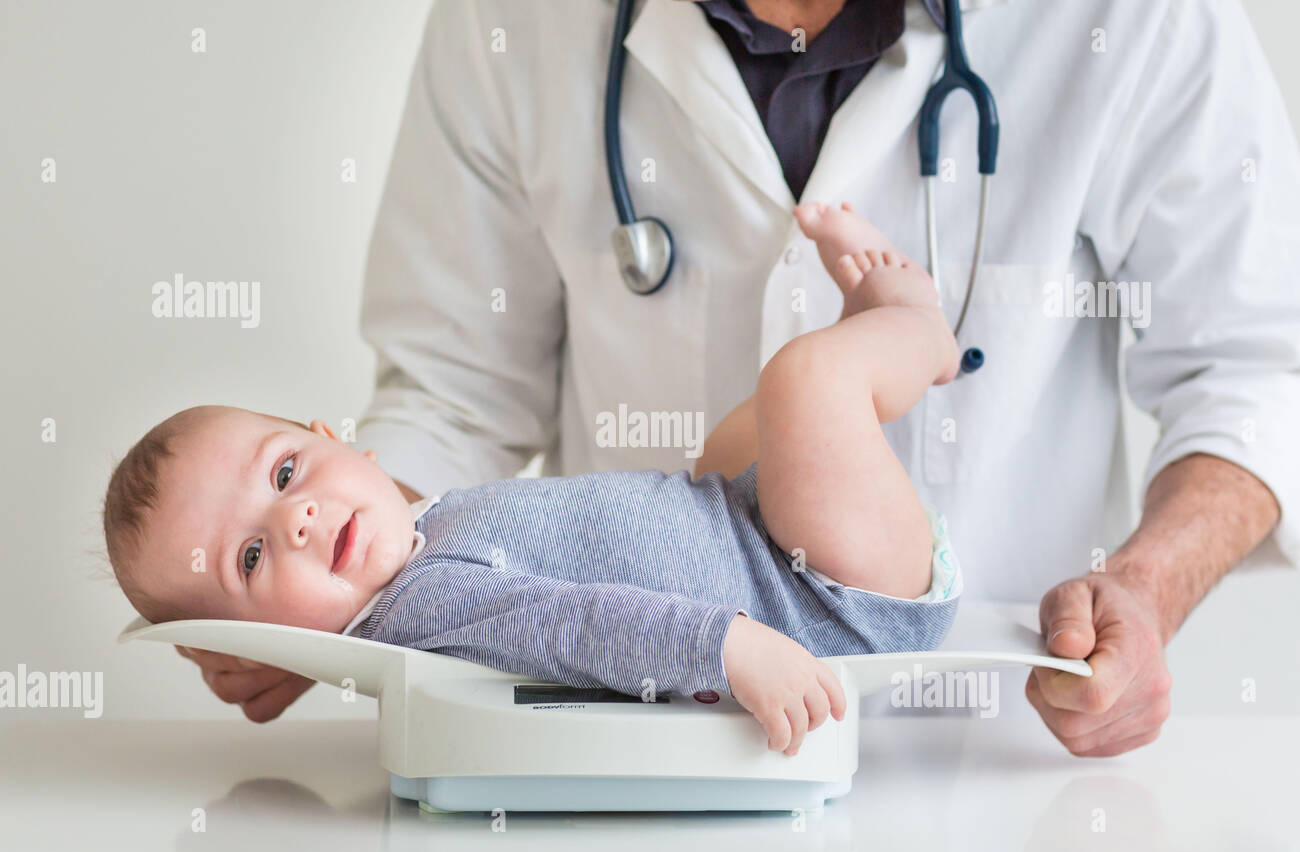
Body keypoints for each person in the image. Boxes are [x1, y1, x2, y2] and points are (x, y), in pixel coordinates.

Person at [181, 0, 1298, 757]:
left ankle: (912, 331)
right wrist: (312, 603)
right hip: (652, 750)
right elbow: (454, 390)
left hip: (992, 729)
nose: (292, 512)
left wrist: (1144, 590)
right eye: (251, 532)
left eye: (286, 471)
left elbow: (1254, 368)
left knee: (808, 390)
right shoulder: (509, 21)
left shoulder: (1134, 21)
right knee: (749, 437)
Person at [108, 202, 962, 755]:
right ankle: (913, 328)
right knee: (801, 387)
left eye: (287, 470)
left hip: (756, 534)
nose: (295, 519)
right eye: (251, 559)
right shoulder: (422, 605)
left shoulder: (423, 540)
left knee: (736, 438)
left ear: (342, 442)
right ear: (263, 647)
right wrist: (726, 647)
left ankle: (862, 349)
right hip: (824, 599)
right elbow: (580, 626)